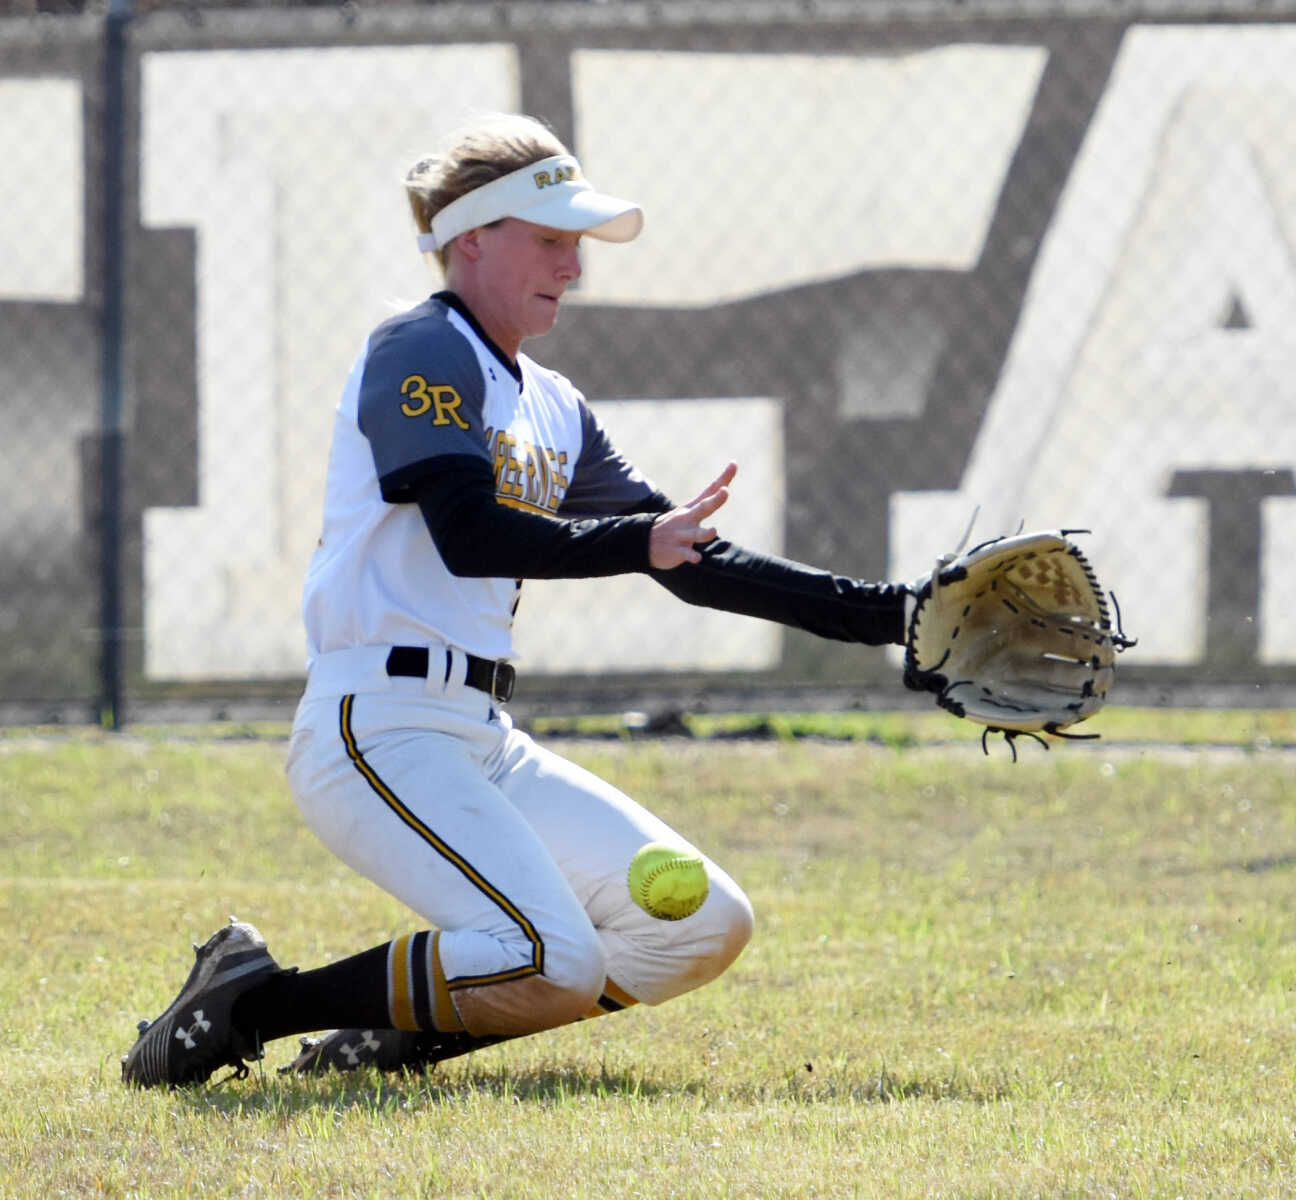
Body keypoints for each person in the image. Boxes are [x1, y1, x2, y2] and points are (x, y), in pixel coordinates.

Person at [122, 113, 913, 1088]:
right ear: (471, 241)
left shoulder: (552, 402)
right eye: (550, 240)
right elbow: (468, 532)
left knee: (703, 924)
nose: (572, 266)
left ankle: (400, 1036)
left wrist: (895, 617)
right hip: (377, 726)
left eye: (574, 243)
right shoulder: (418, 347)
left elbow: (689, 554)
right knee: (555, 953)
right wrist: (636, 543)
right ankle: (253, 1003)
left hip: (482, 737)